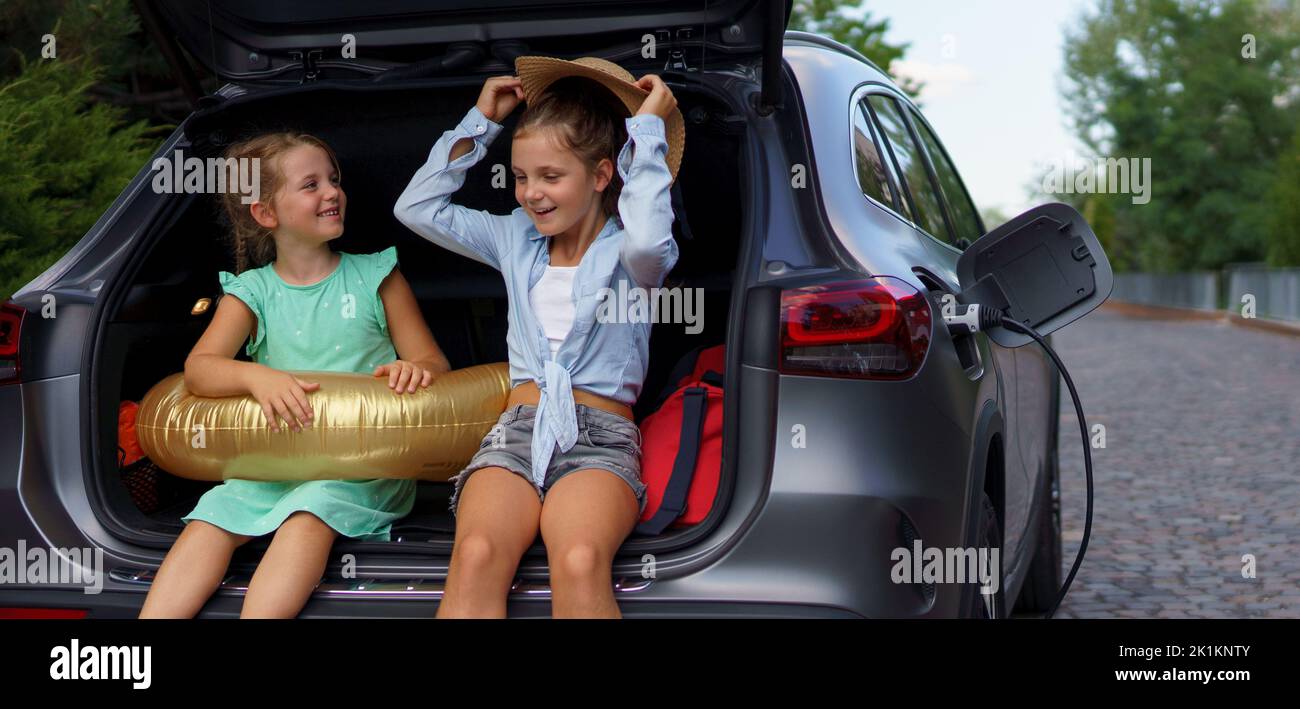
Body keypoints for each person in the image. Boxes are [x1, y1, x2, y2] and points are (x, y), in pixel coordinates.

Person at [140, 132, 450, 618]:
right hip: (277, 465)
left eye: (334, 179)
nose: (332, 192)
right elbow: (199, 370)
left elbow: (436, 365)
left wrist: (413, 370)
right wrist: (255, 378)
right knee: (211, 516)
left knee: (308, 514)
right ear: (266, 214)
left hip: (360, 468)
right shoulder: (253, 291)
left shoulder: (376, 276)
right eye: (311, 185)